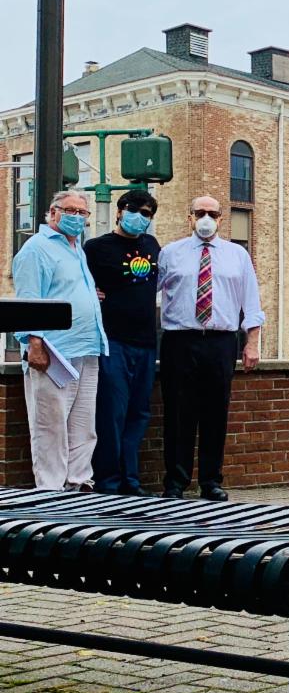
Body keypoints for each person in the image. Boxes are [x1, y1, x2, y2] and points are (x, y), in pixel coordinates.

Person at [158, 195, 264, 500]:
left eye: (212, 213)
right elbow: (146, 289)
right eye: (200, 212)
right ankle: (175, 482)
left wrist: (252, 342)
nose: (206, 218)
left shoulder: (237, 255)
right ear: (189, 217)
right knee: (178, 413)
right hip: (180, 340)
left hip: (220, 341)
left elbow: (252, 302)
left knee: (216, 413)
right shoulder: (170, 253)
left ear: (221, 219)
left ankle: (211, 481)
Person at [12, 189, 108, 490]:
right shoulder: (36, 249)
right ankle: (50, 491)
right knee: (50, 426)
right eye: (70, 211)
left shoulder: (76, 249)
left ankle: (79, 484)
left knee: (83, 426)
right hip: (54, 352)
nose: (77, 217)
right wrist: (34, 345)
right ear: (52, 213)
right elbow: (28, 300)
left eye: (82, 213)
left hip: (87, 349)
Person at [85, 189, 161, 495]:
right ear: (119, 211)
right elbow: (79, 283)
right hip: (112, 341)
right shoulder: (96, 248)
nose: (140, 217)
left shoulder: (152, 245)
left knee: (138, 414)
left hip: (145, 342)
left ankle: (131, 481)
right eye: (135, 210)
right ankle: (109, 482)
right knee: (112, 413)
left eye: (147, 213)